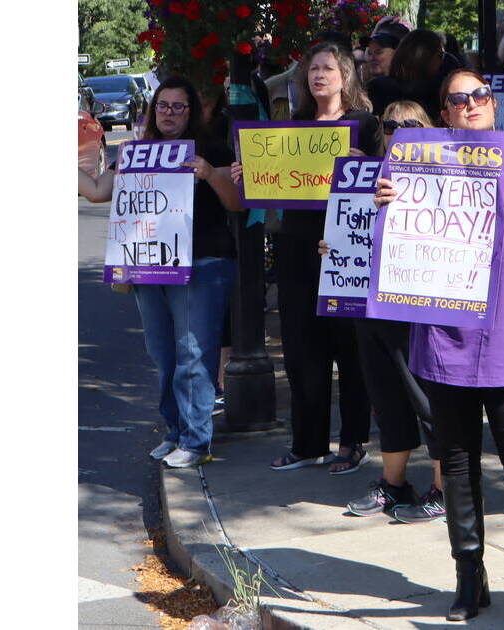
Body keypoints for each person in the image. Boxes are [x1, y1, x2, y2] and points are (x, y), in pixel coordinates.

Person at [372, 22, 504, 627]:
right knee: (459, 462)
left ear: (495, 105)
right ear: (443, 113)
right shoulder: (415, 164)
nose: (470, 104)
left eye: (480, 95)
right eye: (459, 98)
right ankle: (470, 577)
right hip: (443, 341)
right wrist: (387, 202)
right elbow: (390, 249)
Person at [78, 76, 243, 469]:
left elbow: (236, 203)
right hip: (148, 265)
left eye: (178, 106)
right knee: (163, 354)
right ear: (153, 112)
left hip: (203, 262)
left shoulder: (210, 148)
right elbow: (100, 191)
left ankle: (197, 439)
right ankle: (174, 432)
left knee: (193, 352)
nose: (169, 113)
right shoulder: (138, 152)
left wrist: (209, 173)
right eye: (163, 106)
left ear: (192, 112)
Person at [232, 42, 380, 474]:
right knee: (301, 350)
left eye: (328, 68)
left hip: (346, 249)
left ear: (346, 76)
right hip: (296, 249)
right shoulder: (292, 126)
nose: (320, 75)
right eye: (313, 68)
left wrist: (367, 164)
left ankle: (352, 442)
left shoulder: (364, 124)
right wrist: (249, 175)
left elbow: (383, 179)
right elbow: (268, 185)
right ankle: (307, 443)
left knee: (350, 350)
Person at [318, 100, 449, 523]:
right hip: (368, 302)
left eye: (411, 123)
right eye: (391, 124)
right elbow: (347, 228)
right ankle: (393, 485)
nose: (399, 130)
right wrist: (333, 246)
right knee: (385, 395)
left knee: (427, 398)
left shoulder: (445, 172)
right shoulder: (365, 174)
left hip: (418, 303)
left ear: (428, 127)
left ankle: (447, 489)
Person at [368, 29, 447, 121]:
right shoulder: (440, 89)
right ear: (431, 58)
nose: (441, 61)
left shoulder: (378, 87)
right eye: (440, 55)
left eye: (379, 52)